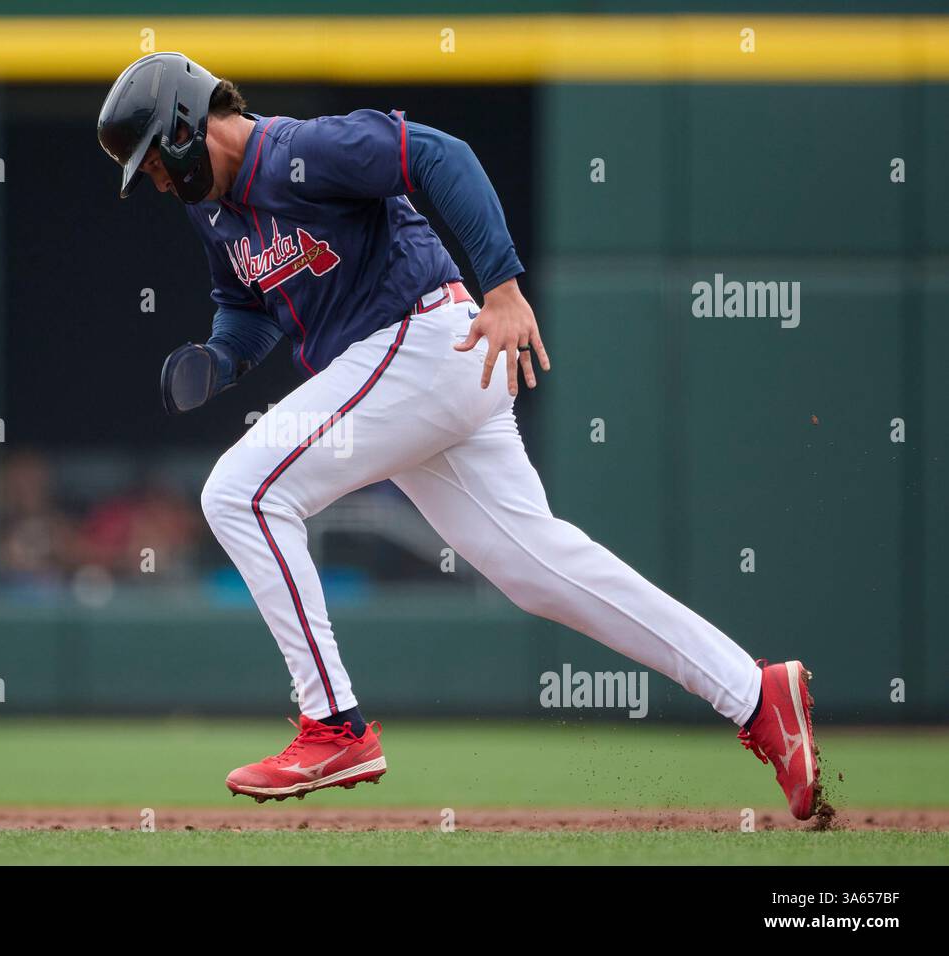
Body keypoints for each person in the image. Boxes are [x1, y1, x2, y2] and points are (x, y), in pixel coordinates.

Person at [97, 52, 821, 819]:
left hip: (420, 342)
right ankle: (755, 693)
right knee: (539, 569)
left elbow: (440, 156)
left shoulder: (302, 151)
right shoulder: (212, 210)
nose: (156, 181)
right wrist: (220, 356)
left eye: (152, 163)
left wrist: (503, 285)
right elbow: (245, 304)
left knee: (240, 494)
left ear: (183, 127)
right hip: (415, 377)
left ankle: (333, 725)